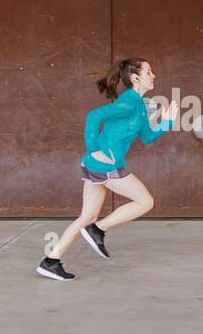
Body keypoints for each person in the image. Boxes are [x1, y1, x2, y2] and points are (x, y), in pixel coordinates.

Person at [37, 57, 179, 281]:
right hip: (105, 165)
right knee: (145, 202)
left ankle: (51, 261)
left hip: (98, 166)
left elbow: (147, 137)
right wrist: (93, 149)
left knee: (87, 216)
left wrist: (168, 121)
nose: (154, 76)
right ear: (135, 77)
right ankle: (98, 230)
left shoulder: (139, 105)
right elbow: (93, 116)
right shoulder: (129, 102)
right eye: (149, 71)